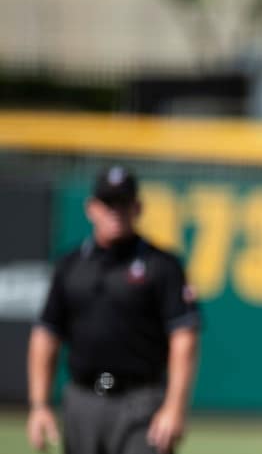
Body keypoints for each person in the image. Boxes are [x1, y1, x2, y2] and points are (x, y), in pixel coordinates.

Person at [26, 165, 201, 454]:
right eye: (108, 203)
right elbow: (46, 335)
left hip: (141, 401)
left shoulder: (162, 266)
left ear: (138, 207)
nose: (115, 211)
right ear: (91, 208)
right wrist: (39, 405)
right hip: (83, 399)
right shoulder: (70, 266)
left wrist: (174, 407)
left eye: (123, 203)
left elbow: (184, 338)